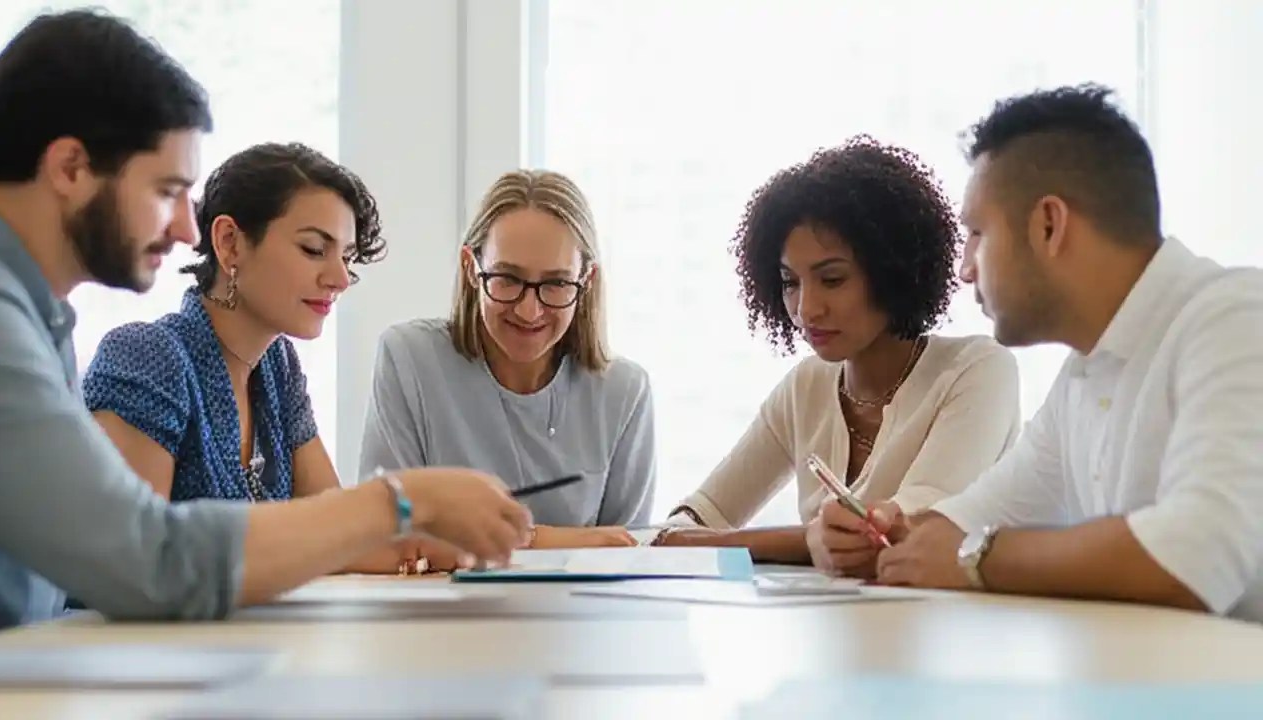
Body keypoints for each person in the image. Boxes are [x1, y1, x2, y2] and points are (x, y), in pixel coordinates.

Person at [0, 9, 528, 632]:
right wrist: (403, 500)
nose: (186, 229)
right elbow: (146, 560)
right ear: (70, 168)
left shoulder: (33, 319)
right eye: (165, 190)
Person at [811, 84, 1263, 622]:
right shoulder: (1083, 376)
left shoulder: (1235, 318)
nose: (965, 268)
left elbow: (1198, 551)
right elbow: (964, 524)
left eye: (977, 233)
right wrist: (874, 538)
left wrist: (974, 560)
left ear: (1049, 225)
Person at [653, 137, 1021, 567]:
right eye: (790, 282)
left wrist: (701, 543)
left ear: (891, 273)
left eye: (832, 280)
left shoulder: (977, 370)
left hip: (947, 627)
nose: (807, 308)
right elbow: (699, 516)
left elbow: (909, 529)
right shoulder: (806, 386)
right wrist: (680, 533)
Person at [82, 142, 444, 574]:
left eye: (346, 257)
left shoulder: (278, 369)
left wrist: (436, 539)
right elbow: (131, 562)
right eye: (313, 249)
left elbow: (341, 532)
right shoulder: (146, 357)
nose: (341, 278)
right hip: (131, 640)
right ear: (230, 243)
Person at [360, 170, 654, 552]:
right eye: (507, 279)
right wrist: (544, 539)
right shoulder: (408, 360)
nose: (530, 310)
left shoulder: (625, 392)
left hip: (576, 611)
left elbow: (624, 552)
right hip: (441, 610)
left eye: (556, 284)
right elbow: (382, 533)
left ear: (587, 281)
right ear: (471, 269)